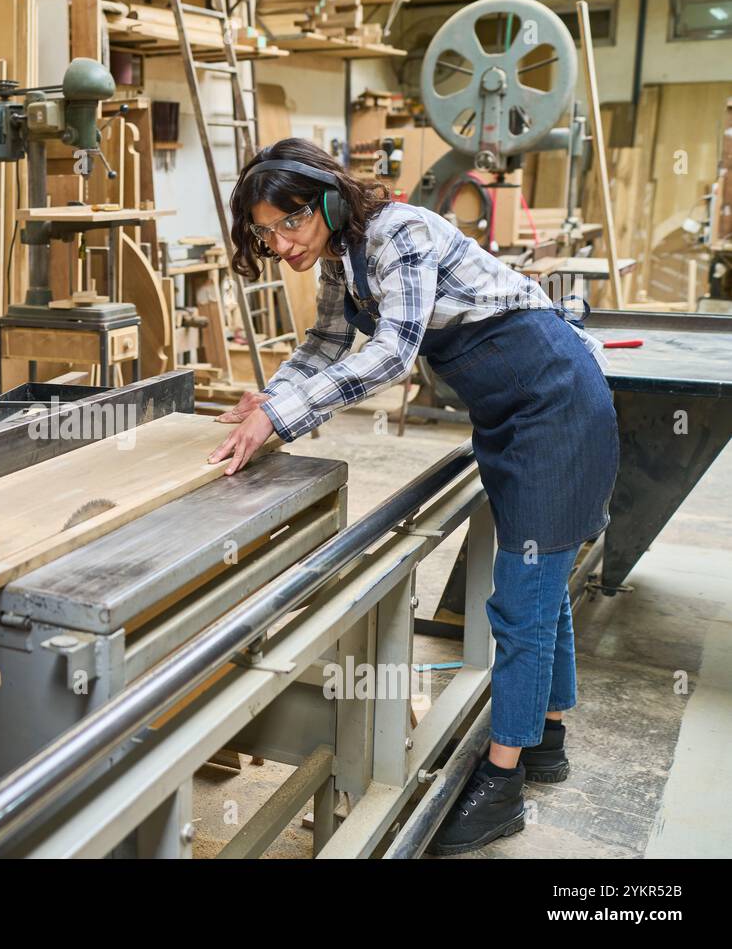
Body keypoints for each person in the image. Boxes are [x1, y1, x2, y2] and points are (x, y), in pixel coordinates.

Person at [210, 137, 618, 855]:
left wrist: (285, 416)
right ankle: (546, 737)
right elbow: (329, 343)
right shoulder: (344, 258)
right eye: (265, 234)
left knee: (521, 601)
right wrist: (270, 400)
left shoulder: (400, 233)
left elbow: (394, 354)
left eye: (289, 224)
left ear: (328, 200)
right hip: (509, 410)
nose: (279, 245)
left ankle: (502, 788)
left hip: (554, 402)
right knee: (544, 581)